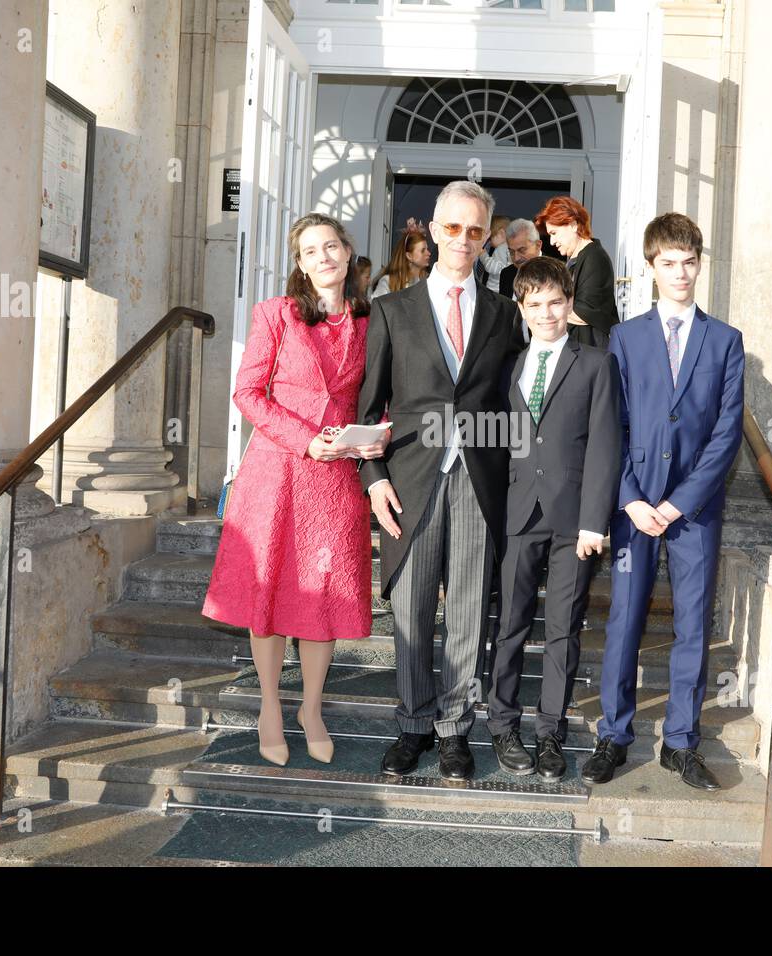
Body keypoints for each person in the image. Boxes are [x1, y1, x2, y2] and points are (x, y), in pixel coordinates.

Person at [201, 212, 389, 768]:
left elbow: (379, 397)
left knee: (322, 594)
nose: (324, 257)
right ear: (300, 265)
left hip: (334, 483)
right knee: (270, 595)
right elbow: (248, 393)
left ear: (349, 253)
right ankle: (267, 706)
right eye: (311, 251)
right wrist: (307, 441)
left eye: (331, 246)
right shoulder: (276, 315)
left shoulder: (371, 320)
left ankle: (311, 707)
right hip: (278, 473)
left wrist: (378, 435)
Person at [357, 179, 523, 780]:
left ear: (486, 238)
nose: (461, 240)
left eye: (474, 231)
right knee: (411, 609)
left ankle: (455, 730)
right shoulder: (390, 311)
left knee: (470, 613)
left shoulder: (506, 314)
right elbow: (366, 408)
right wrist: (373, 478)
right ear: (430, 227)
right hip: (409, 480)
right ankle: (412, 725)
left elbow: (512, 404)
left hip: (480, 481)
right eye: (451, 227)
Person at [582, 212, 744, 792]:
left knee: (693, 626)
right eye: (668, 264)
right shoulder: (626, 338)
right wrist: (629, 499)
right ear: (650, 269)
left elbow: (726, 432)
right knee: (624, 619)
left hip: (692, 513)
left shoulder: (725, 341)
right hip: (635, 510)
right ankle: (615, 733)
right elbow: (612, 427)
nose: (680, 273)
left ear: (701, 265)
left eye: (689, 262)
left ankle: (681, 741)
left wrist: (678, 504)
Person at [486, 256, 621, 782]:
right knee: (511, 623)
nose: (546, 313)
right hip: (518, 512)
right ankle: (503, 723)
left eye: (555, 303)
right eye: (535, 304)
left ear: (570, 305)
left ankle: (549, 731)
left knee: (563, 629)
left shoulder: (596, 363)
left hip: (573, 520)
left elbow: (607, 445)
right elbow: (497, 441)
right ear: (521, 308)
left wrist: (595, 521)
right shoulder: (510, 365)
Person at [535, 196, 620, 349]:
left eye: (554, 233)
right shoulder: (577, 259)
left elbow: (585, 312)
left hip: (589, 351)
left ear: (573, 225)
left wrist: (542, 311)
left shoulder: (594, 257)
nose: (552, 242)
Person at [497, 218, 545, 343]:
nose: (516, 258)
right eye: (511, 252)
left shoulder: (556, 272)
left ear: (538, 245)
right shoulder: (507, 274)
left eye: (522, 250)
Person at [371, 226, 431, 298]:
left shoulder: (428, 281)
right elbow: (376, 305)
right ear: (409, 256)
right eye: (423, 250)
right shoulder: (389, 281)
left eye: (427, 249)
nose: (428, 253)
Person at [479, 214, 511, 293]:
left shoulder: (501, 248)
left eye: (491, 237)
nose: (489, 242)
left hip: (495, 291)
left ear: (501, 233)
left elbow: (493, 268)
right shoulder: (510, 249)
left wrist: (483, 255)